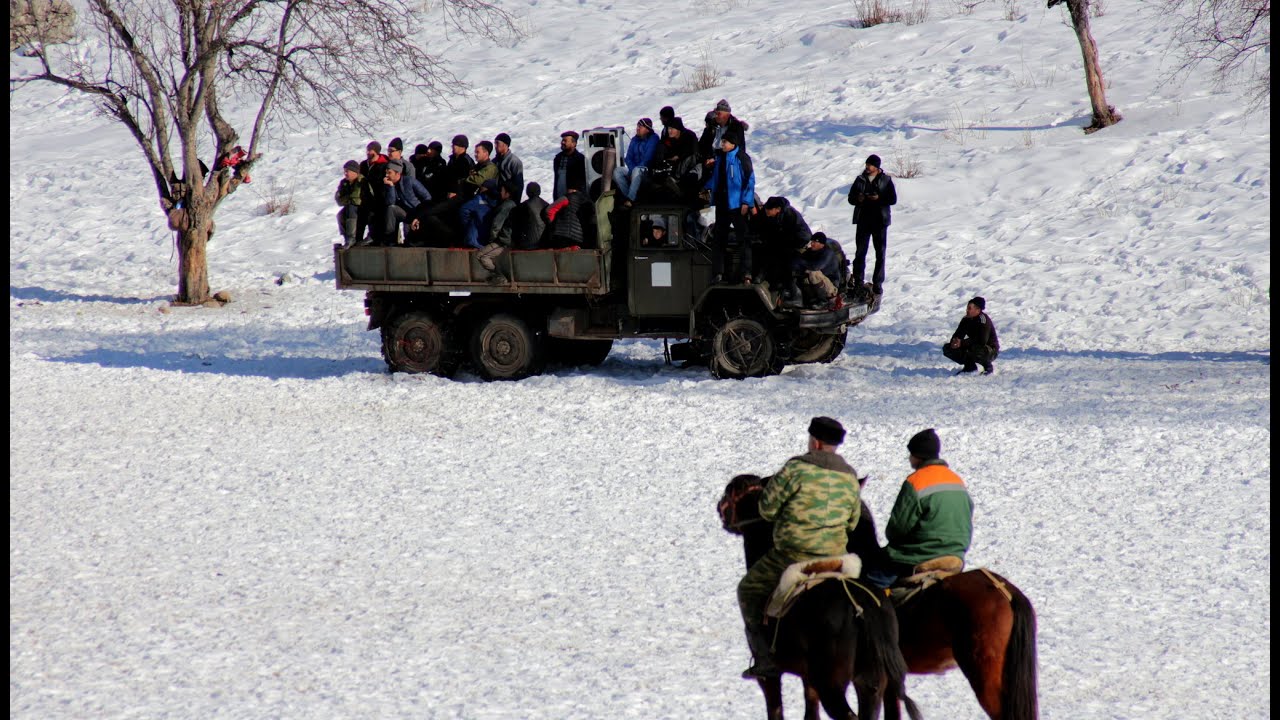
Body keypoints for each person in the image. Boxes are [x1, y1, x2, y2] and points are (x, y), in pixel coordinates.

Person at [737, 417, 862, 679]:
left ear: (814, 442)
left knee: (748, 589)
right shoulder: (850, 476)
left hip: (792, 555)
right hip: (838, 558)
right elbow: (852, 522)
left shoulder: (795, 469)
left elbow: (767, 509)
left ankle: (763, 658)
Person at [863, 429, 974, 589]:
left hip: (920, 556)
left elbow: (897, 529)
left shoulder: (916, 481)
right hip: (955, 555)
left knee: (870, 584)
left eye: (911, 454)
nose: (909, 459)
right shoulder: (956, 480)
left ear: (918, 456)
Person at [703, 130, 755, 284]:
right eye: (722, 141)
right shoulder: (721, 158)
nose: (722, 144)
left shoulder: (741, 158)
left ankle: (747, 273)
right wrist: (705, 188)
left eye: (725, 142)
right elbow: (716, 179)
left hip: (737, 205)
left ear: (733, 143)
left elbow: (750, 180)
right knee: (719, 238)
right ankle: (718, 273)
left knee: (743, 238)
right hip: (722, 203)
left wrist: (746, 201)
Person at [847, 154, 897, 297]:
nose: (867, 167)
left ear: (877, 166)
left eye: (870, 165)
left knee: (880, 253)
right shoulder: (860, 179)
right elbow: (851, 199)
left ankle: (877, 283)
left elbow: (893, 199)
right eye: (866, 164)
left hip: (880, 222)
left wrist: (879, 198)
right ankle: (858, 282)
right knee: (860, 253)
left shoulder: (886, 180)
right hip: (863, 221)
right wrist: (859, 198)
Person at [758, 196, 813, 293]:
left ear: (777, 209)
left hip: (799, 241)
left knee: (787, 261)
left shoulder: (790, 216)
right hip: (785, 240)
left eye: (769, 210)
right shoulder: (770, 215)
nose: (767, 212)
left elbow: (794, 236)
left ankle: (792, 292)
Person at [944, 296, 1000, 375]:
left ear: (978, 310)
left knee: (976, 349)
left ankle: (988, 367)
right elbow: (958, 334)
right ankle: (970, 367)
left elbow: (982, 340)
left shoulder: (983, 320)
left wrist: (962, 343)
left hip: (989, 349)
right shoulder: (966, 319)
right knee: (948, 348)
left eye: (969, 308)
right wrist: (954, 342)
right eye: (967, 308)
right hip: (973, 345)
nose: (967, 310)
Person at [477, 181, 519, 284]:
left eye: (502, 190)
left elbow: (496, 225)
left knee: (482, 256)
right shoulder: (513, 204)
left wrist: (492, 239)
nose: (500, 192)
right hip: (508, 239)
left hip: (503, 240)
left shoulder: (505, 206)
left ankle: (500, 277)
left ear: (507, 193)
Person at [382, 158, 432, 245]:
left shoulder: (409, 180)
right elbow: (390, 203)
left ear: (398, 173)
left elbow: (427, 197)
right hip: (406, 213)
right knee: (391, 209)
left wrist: (420, 214)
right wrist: (391, 187)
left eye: (389, 173)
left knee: (410, 241)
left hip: (418, 212)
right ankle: (390, 239)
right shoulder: (389, 184)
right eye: (386, 172)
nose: (387, 175)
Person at [613, 117, 660, 206]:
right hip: (634, 169)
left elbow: (648, 158)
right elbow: (628, 157)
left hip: (647, 171)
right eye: (637, 126)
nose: (637, 129)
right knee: (617, 171)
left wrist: (635, 170)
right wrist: (632, 170)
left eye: (640, 127)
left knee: (637, 170)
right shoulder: (635, 139)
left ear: (647, 129)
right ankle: (629, 197)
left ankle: (631, 199)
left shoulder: (653, 139)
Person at [791, 232, 841, 309]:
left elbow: (816, 266)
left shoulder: (828, 253)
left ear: (822, 244)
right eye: (812, 242)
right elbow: (798, 263)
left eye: (815, 242)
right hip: (820, 286)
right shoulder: (810, 252)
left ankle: (823, 301)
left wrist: (801, 263)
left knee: (813, 273)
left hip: (831, 288)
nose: (812, 244)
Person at [699, 98, 749, 166]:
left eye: (719, 113)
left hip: (728, 162)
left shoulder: (735, 128)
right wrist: (707, 158)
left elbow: (737, 150)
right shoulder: (711, 127)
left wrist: (716, 160)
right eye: (716, 113)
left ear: (727, 115)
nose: (716, 115)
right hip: (709, 161)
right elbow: (701, 145)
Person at [358, 140, 389, 244]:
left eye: (370, 151)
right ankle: (357, 238)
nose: (367, 153)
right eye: (367, 151)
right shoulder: (363, 165)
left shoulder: (384, 165)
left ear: (376, 152)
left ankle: (374, 236)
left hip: (378, 196)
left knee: (374, 212)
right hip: (365, 195)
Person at [335, 160, 363, 246]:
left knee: (351, 208)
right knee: (340, 215)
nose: (345, 173)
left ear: (355, 172)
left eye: (348, 171)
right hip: (351, 207)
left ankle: (352, 237)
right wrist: (348, 199)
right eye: (345, 171)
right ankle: (347, 237)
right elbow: (339, 200)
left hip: (364, 208)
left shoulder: (361, 181)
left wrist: (348, 199)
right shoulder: (344, 183)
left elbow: (356, 199)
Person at [553, 130, 587, 200]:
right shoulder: (558, 158)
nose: (562, 142)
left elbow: (583, 180)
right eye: (562, 140)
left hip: (574, 199)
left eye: (565, 141)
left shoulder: (580, 159)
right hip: (559, 199)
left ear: (573, 143)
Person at [514, 182, 548, 249]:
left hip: (528, 244)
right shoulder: (547, 205)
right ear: (539, 191)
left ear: (527, 192)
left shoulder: (522, 206)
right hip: (544, 243)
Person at [494, 132, 525, 203]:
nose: (495, 146)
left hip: (509, 200)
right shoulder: (495, 161)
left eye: (497, 143)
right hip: (495, 198)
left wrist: (515, 202)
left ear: (505, 145)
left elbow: (519, 185)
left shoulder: (514, 161)